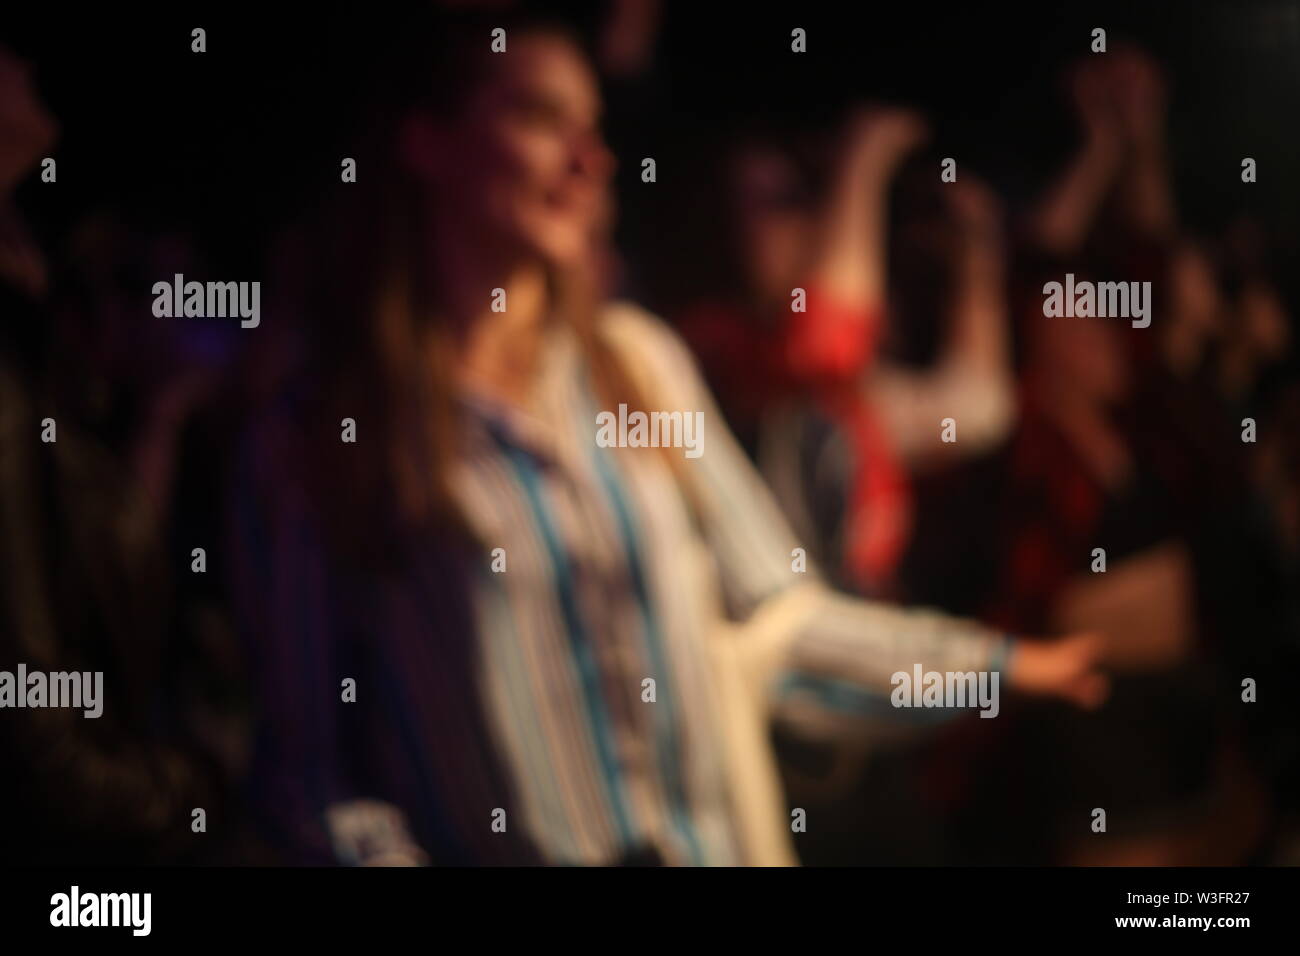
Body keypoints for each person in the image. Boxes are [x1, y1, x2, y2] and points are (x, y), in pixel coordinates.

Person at [229, 10, 1106, 866]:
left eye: (595, 127)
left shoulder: (638, 366)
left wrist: (998, 666)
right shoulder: (323, 424)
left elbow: (782, 627)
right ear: (426, 143)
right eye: (539, 115)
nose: (588, 159)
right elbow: (310, 775)